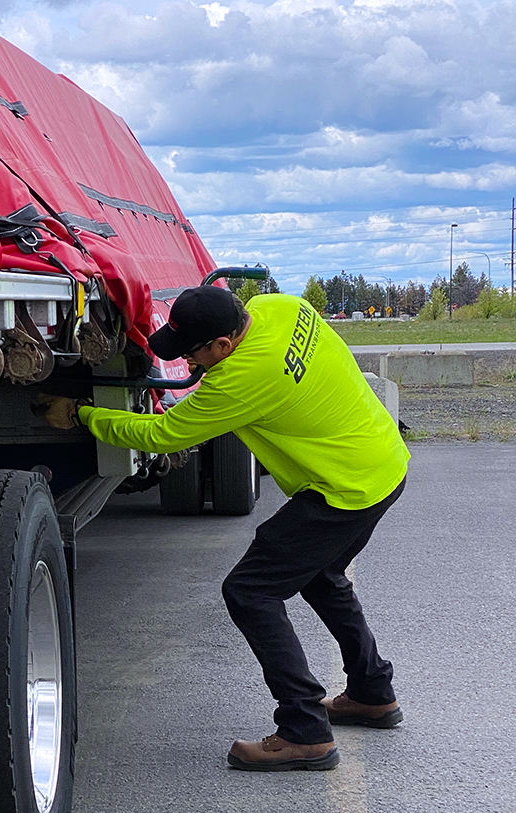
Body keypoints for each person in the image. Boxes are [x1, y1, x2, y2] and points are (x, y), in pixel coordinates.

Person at [41, 285, 409, 771]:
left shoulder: (239, 380)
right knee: (321, 576)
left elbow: (162, 434)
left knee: (250, 590)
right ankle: (371, 692)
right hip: (382, 462)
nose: (191, 366)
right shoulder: (280, 307)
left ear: (223, 345)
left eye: (193, 354)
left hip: (344, 489)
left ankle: (305, 730)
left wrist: (83, 414)